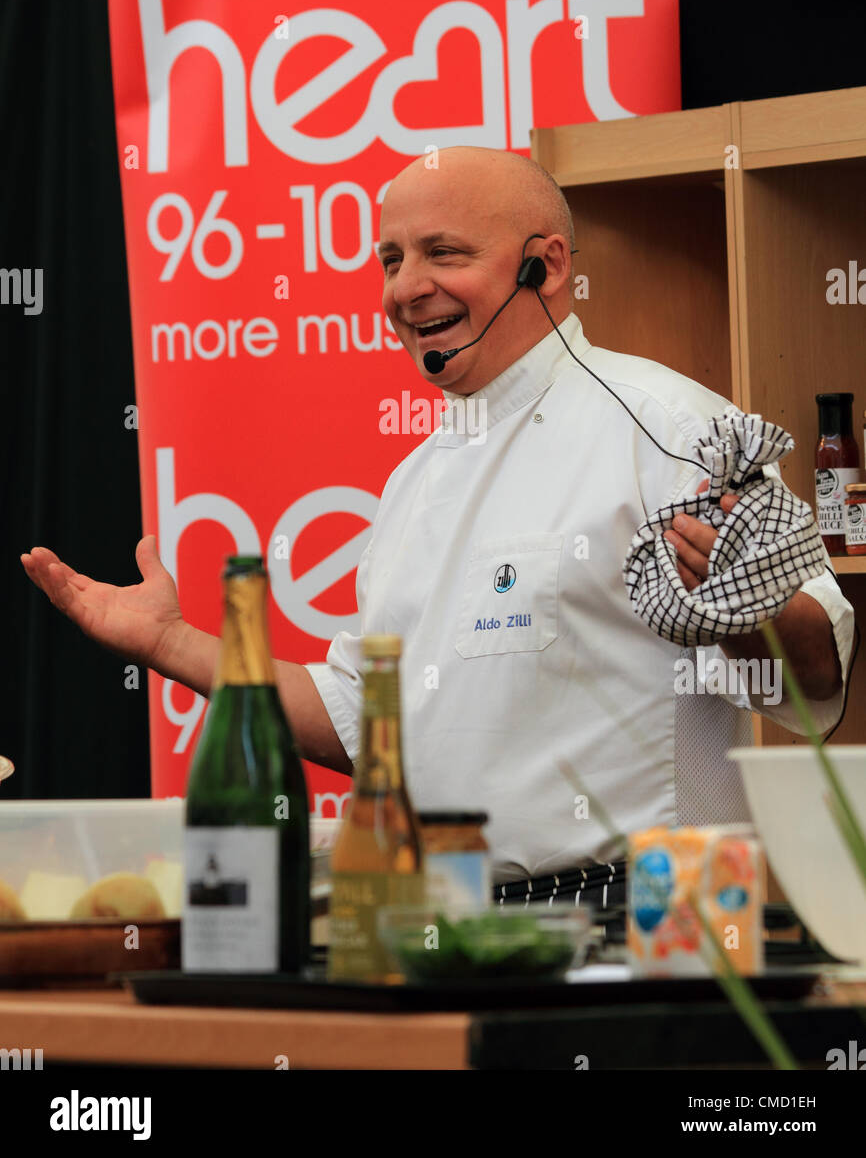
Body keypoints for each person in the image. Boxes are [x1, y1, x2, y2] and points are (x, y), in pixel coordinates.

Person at [21, 147, 853, 908]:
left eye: (444, 253)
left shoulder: (669, 427)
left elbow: (820, 671)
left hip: (655, 913)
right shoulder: (415, 481)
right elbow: (358, 720)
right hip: (449, 921)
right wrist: (170, 644)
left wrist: (749, 607)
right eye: (391, 260)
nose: (405, 287)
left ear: (547, 264)